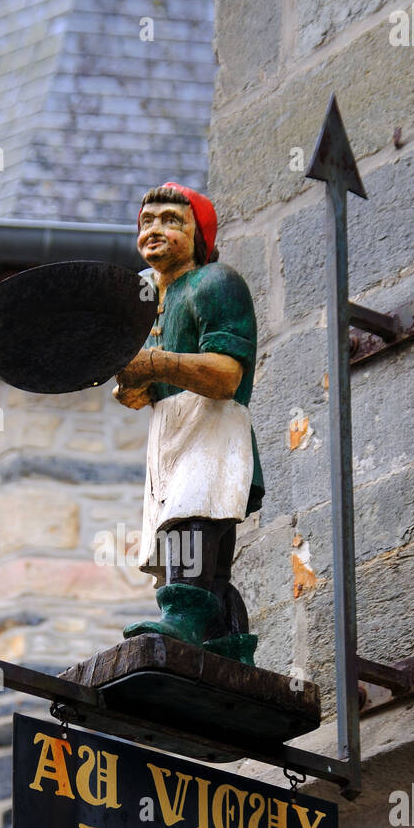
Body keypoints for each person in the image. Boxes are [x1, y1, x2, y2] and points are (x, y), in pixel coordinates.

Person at [113, 182, 263, 665]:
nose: (154, 230)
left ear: (198, 235)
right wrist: (132, 382)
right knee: (198, 544)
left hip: (212, 421)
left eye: (170, 221)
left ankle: (181, 617)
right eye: (146, 221)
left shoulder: (215, 283)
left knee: (193, 515)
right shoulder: (143, 292)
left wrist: (155, 364)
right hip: (167, 427)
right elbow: (139, 392)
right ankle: (225, 638)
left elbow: (225, 374)